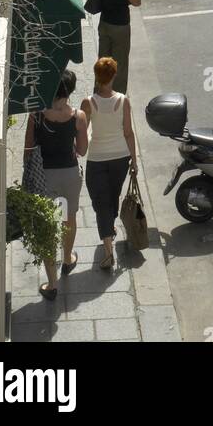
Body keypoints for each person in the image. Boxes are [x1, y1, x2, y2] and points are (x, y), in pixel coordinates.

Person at [24, 70, 88, 300]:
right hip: (70, 174)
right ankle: (68, 258)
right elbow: (82, 150)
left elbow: (28, 147)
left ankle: (52, 284)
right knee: (68, 217)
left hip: (45, 176)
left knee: (47, 226)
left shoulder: (37, 114)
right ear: (70, 91)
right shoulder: (79, 116)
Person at [81, 57, 137, 271]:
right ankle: (109, 229)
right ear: (114, 76)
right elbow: (128, 133)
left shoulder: (88, 102)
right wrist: (133, 160)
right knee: (112, 197)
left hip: (97, 159)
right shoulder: (124, 100)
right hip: (121, 158)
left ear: (96, 76)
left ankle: (107, 251)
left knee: (101, 203)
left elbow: (82, 129)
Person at [96, 0, 141, 94]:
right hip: (120, 28)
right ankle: (117, 94)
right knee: (119, 63)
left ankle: (100, 90)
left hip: (104, 24)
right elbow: (137, 2)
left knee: (103, 60)